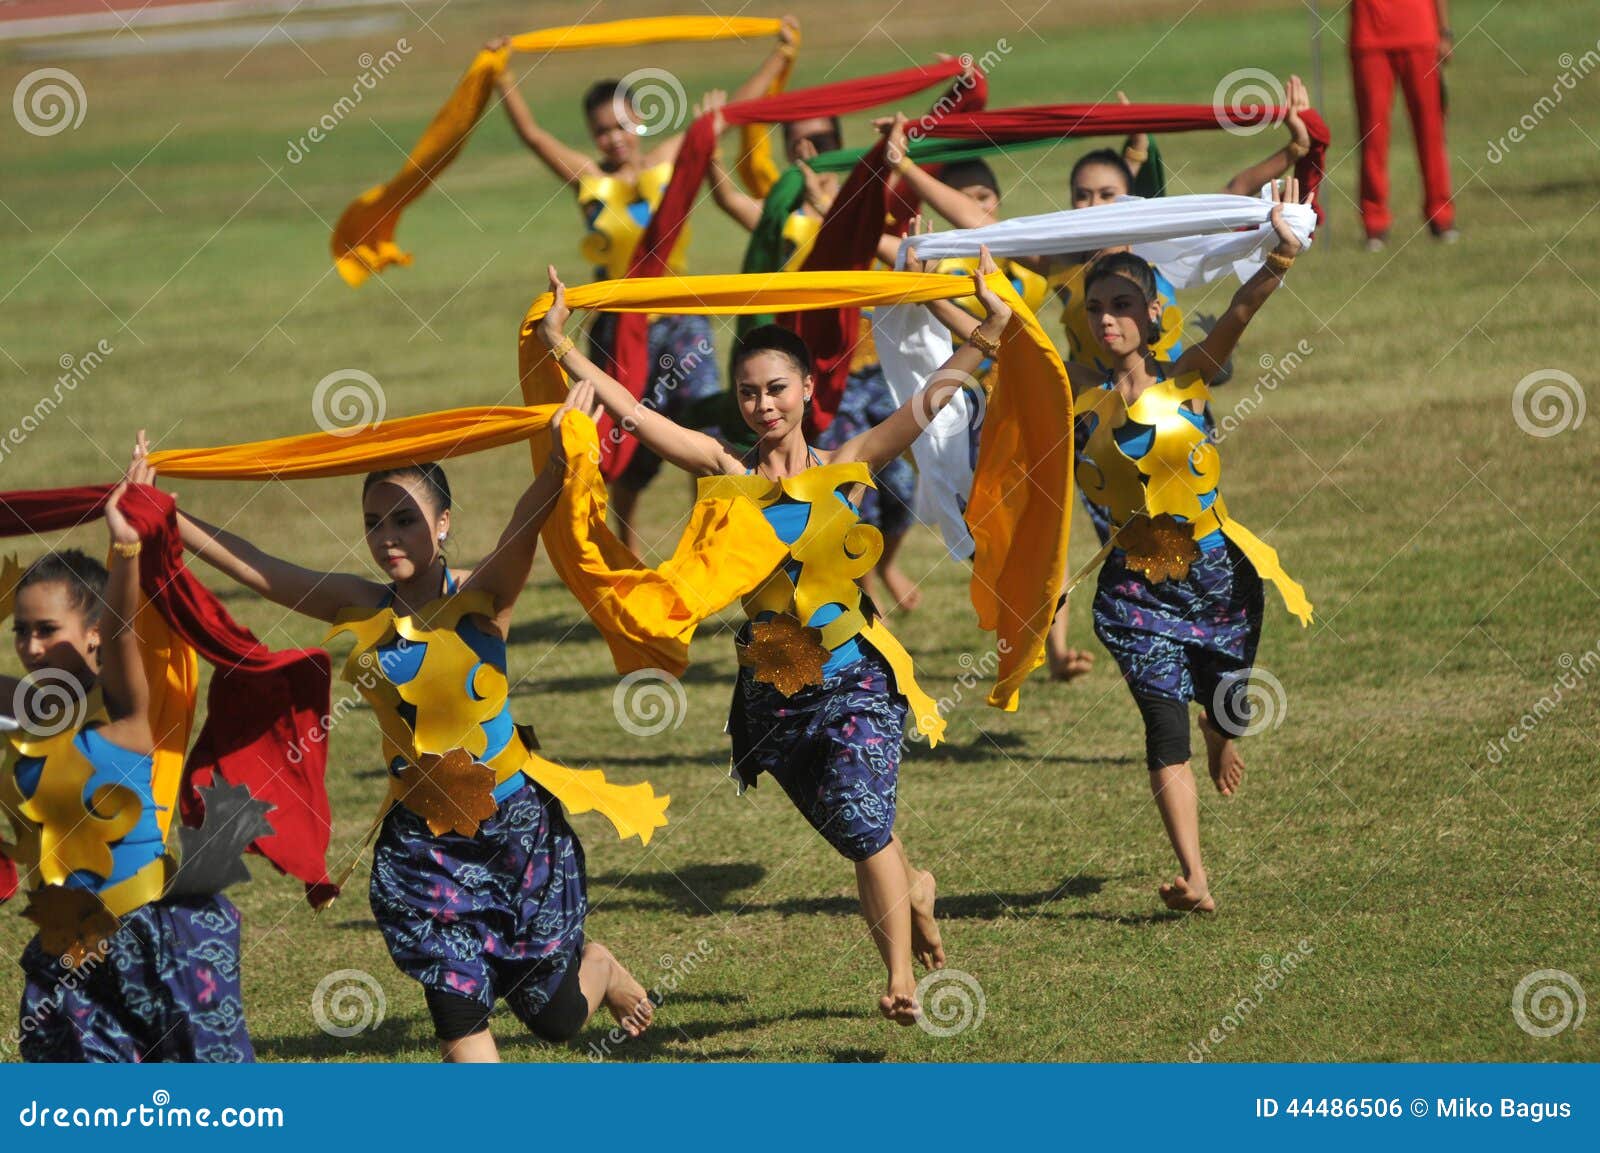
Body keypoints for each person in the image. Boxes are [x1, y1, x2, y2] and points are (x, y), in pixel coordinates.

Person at [532, 249, 1016, 1023]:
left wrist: (988, 330)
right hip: (773, 700)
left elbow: (929, 402)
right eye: (751, 392)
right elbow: (636, 417)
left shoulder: (849, 461)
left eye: (777, 389)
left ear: (807, 390)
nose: (763, 406)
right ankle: (916, 890)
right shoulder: (725, 472)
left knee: (863, 825)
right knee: (862, 833)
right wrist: (562, 343)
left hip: (857, 676)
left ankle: (897, 980)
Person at [135, 405, 657, 1062]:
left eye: (405, 519)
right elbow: (261, 566)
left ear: (442, 523)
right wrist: (163, 511)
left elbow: (529, 521)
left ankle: (599, 964)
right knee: (457, 1005)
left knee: (551, 1017)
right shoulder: (361, 605)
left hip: (514, 833)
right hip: (424, 849)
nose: (388, 537)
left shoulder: (485, 595)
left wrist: (558, 455)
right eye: (374, 523)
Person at [489, 19, 801, 554]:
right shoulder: (590, 177)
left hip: (681, 321)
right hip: (619, 329)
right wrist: (500, 77)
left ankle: (708, 540)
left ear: (639, 118)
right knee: (628, 448)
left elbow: (723, 119)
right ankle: (624, 548)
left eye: (620, 124)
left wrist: (780, 57)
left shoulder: (667, 161)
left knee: (705, 427)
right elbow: (534, 135)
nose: (613, 138)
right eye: (601, 131)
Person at [1, 484, 253, 1062]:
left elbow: (120, 631)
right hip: (65, 945)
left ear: (90, 633)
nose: (31, 647)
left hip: (157, 939)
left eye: (47, 629)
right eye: (21, 630)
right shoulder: (22, 711)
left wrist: (126, 547)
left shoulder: (122, 709)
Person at [700, 89, 924, 613]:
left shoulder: (867, 205)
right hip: (827, 376)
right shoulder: (786, 217)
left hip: (877, 370)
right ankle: (861, 592)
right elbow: (732, 200)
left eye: (820, 143)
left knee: (903, 490)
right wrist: (708, 149)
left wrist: (892, 151)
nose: (808, 153)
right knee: (846, 489)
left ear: (840, 147)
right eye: (798, 144)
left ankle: (885, 562)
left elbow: (904, 234)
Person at [1348, 0, 1457, 248]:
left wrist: (1444, 31)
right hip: (1370, 36)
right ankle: (1374, 223)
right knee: (1372, 136)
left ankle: (1441, 215)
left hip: (1420, 33)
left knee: (1431, 131)